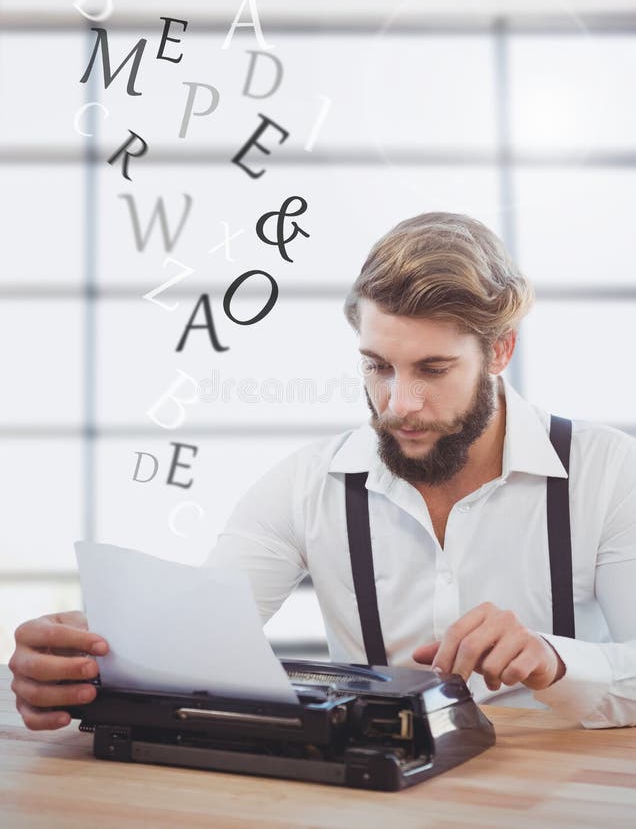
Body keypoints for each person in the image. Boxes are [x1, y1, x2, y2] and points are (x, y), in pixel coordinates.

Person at [9, 212, 636, 731]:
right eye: (377, 366)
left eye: (433, 370)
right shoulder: (304, 486)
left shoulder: (609, 472)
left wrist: (554, 661)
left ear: (500, 350)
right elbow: (192, 643)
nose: (399, 404)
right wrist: (90, 662)